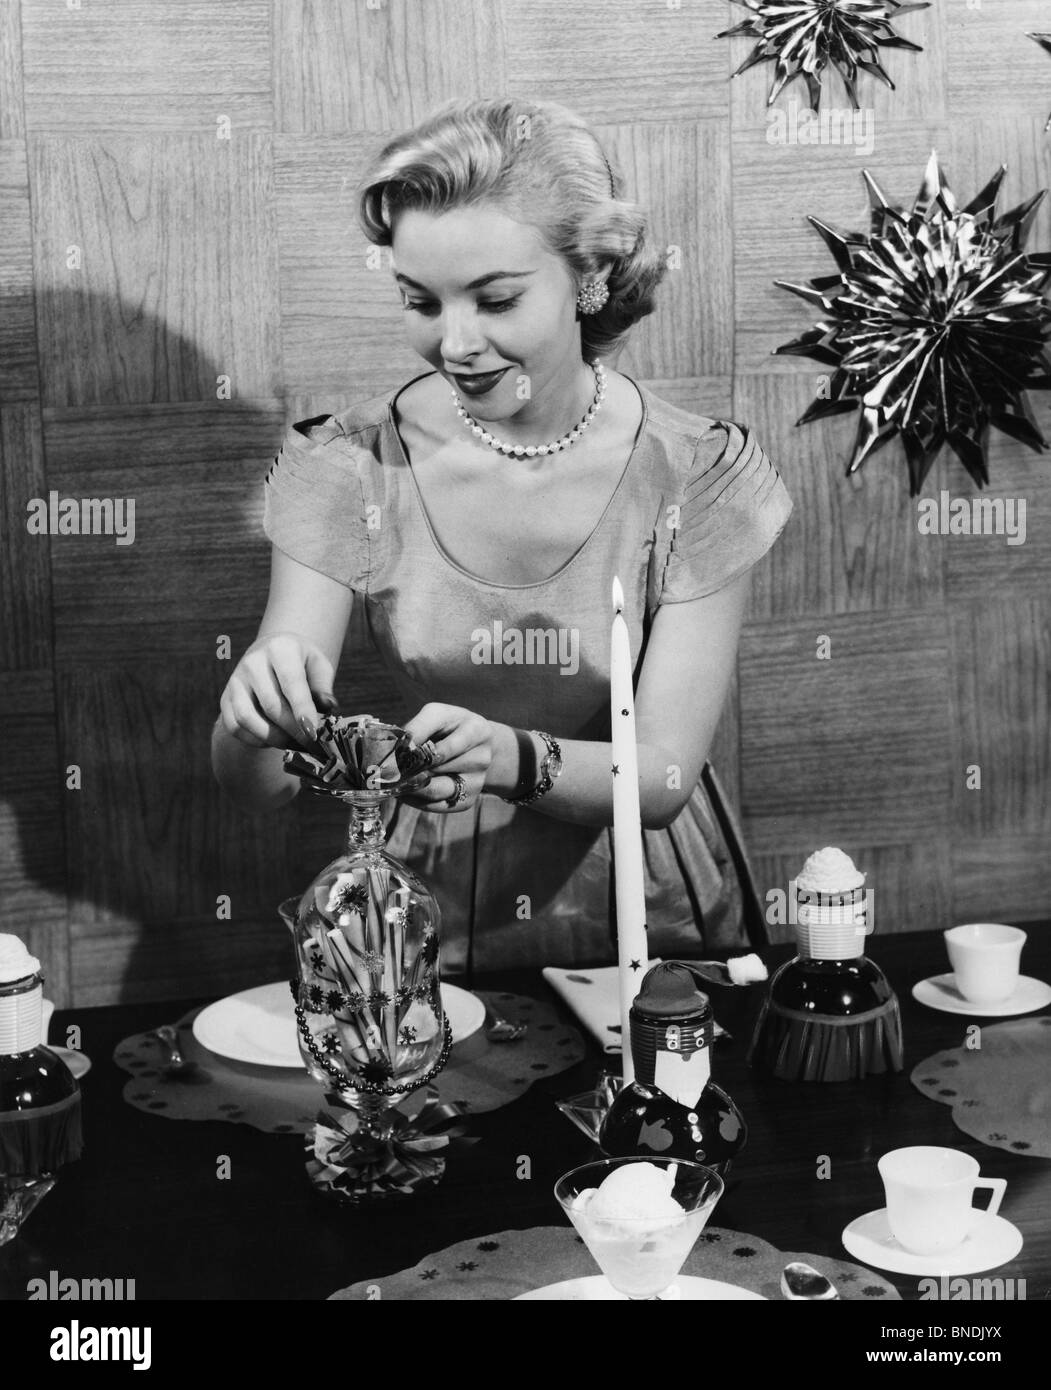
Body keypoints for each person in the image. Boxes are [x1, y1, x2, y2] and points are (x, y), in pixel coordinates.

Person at [211, 96, 792, 975]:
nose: (454, 343)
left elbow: (664, 778)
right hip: (428, 895)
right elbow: (262, 790)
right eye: (420, 300)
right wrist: (249, 718)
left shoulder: (695, 473)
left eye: (495, 299)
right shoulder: (347, 466)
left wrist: (510, 756)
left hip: (645, 895)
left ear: (588, 276)